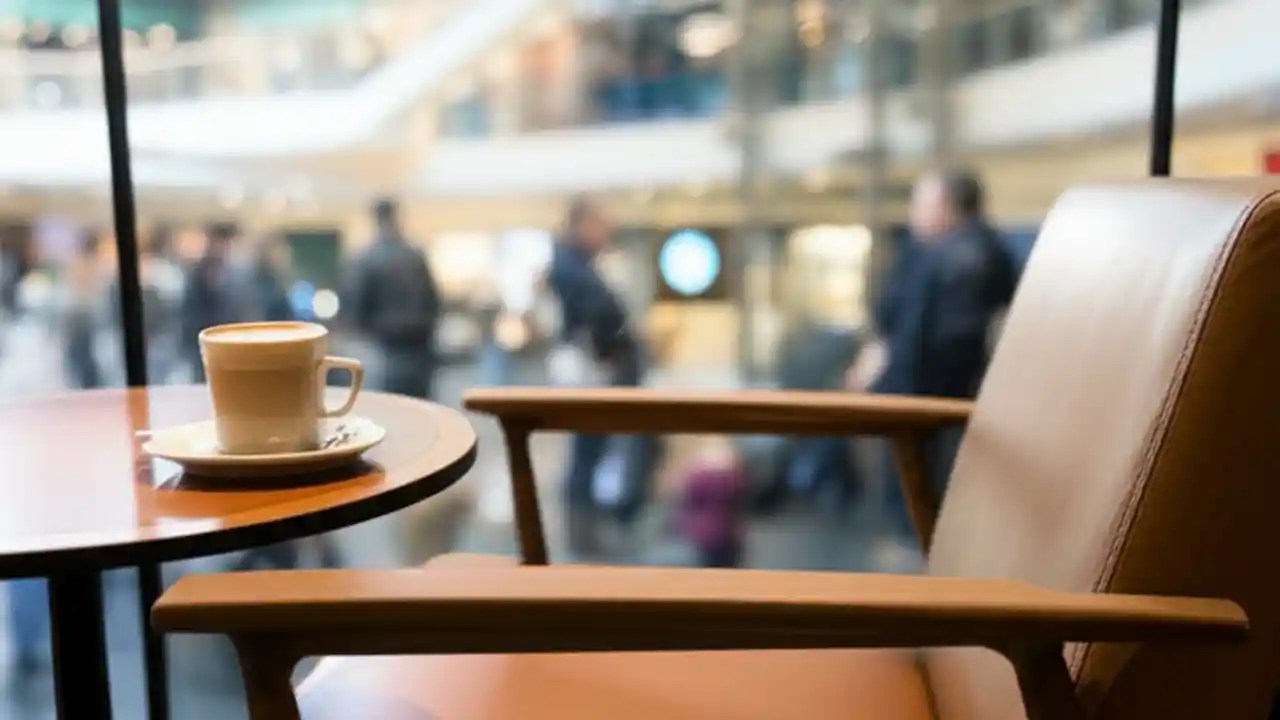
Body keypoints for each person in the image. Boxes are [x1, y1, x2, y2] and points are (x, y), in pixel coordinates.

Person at [856, 169, 1016, 553]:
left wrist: (902, 391)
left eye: (922, 204)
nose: (913, 213)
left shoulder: (967, 258)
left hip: (933, 404)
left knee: (921, 500)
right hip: (922, 399)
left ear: (949, 208)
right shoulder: (935, 252)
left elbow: (942, 342)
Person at [547, 194, 649, 555]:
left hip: (594, 367)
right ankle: (582, 536)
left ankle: (586, 532)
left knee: (591, 451)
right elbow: (600, 316)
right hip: (590, 370)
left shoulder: (580, 264)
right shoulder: (571, 267)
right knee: (586, 450)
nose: (606, 233)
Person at [346, 198, 440, 398]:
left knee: (391, 405)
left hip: (385, 347)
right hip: (420, 348)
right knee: (421, 404)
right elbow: (433, 302)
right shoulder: (415, 255)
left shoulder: (366, 259)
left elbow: (356, 309)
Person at [181, 222, 240, 381]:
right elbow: (189, 314)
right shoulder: (198, 275)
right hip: (203, 346)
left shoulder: (232, 275)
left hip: (229, 345)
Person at [62, 233, 103, 390]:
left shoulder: (84, 264)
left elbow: (79, 288)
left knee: (80, 352)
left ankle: (88, 384)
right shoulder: (89, 264)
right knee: (81, 352)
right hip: (82, 313)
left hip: (80, 313)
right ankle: (86, 384)